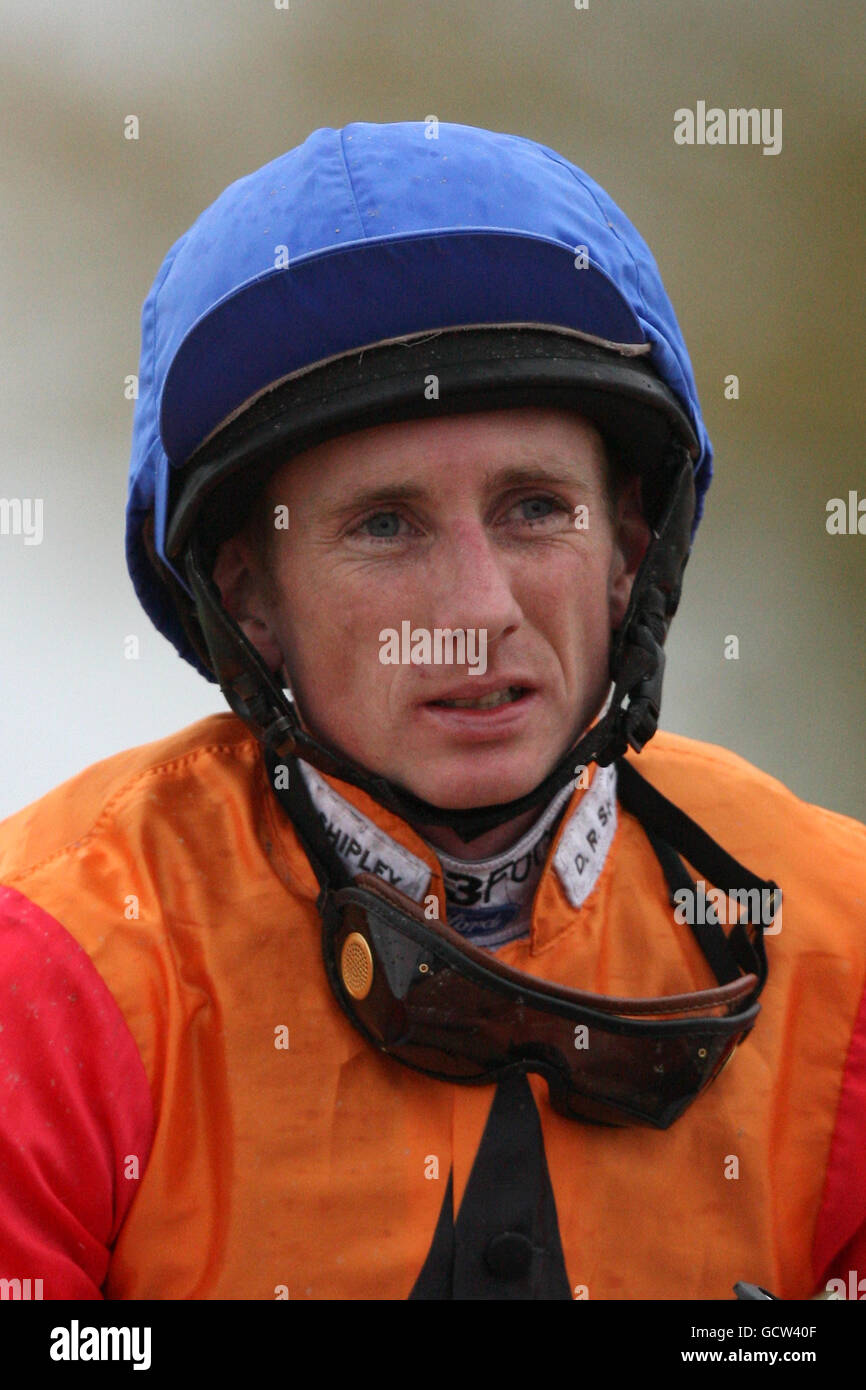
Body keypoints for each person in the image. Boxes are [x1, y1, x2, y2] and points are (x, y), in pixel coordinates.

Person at [1, 121, 864, 1302]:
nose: (475, 608)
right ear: (249, 599)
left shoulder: (844, 948)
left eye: (532, 509)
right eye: (384, 526)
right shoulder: (44, 976)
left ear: (626, 548)